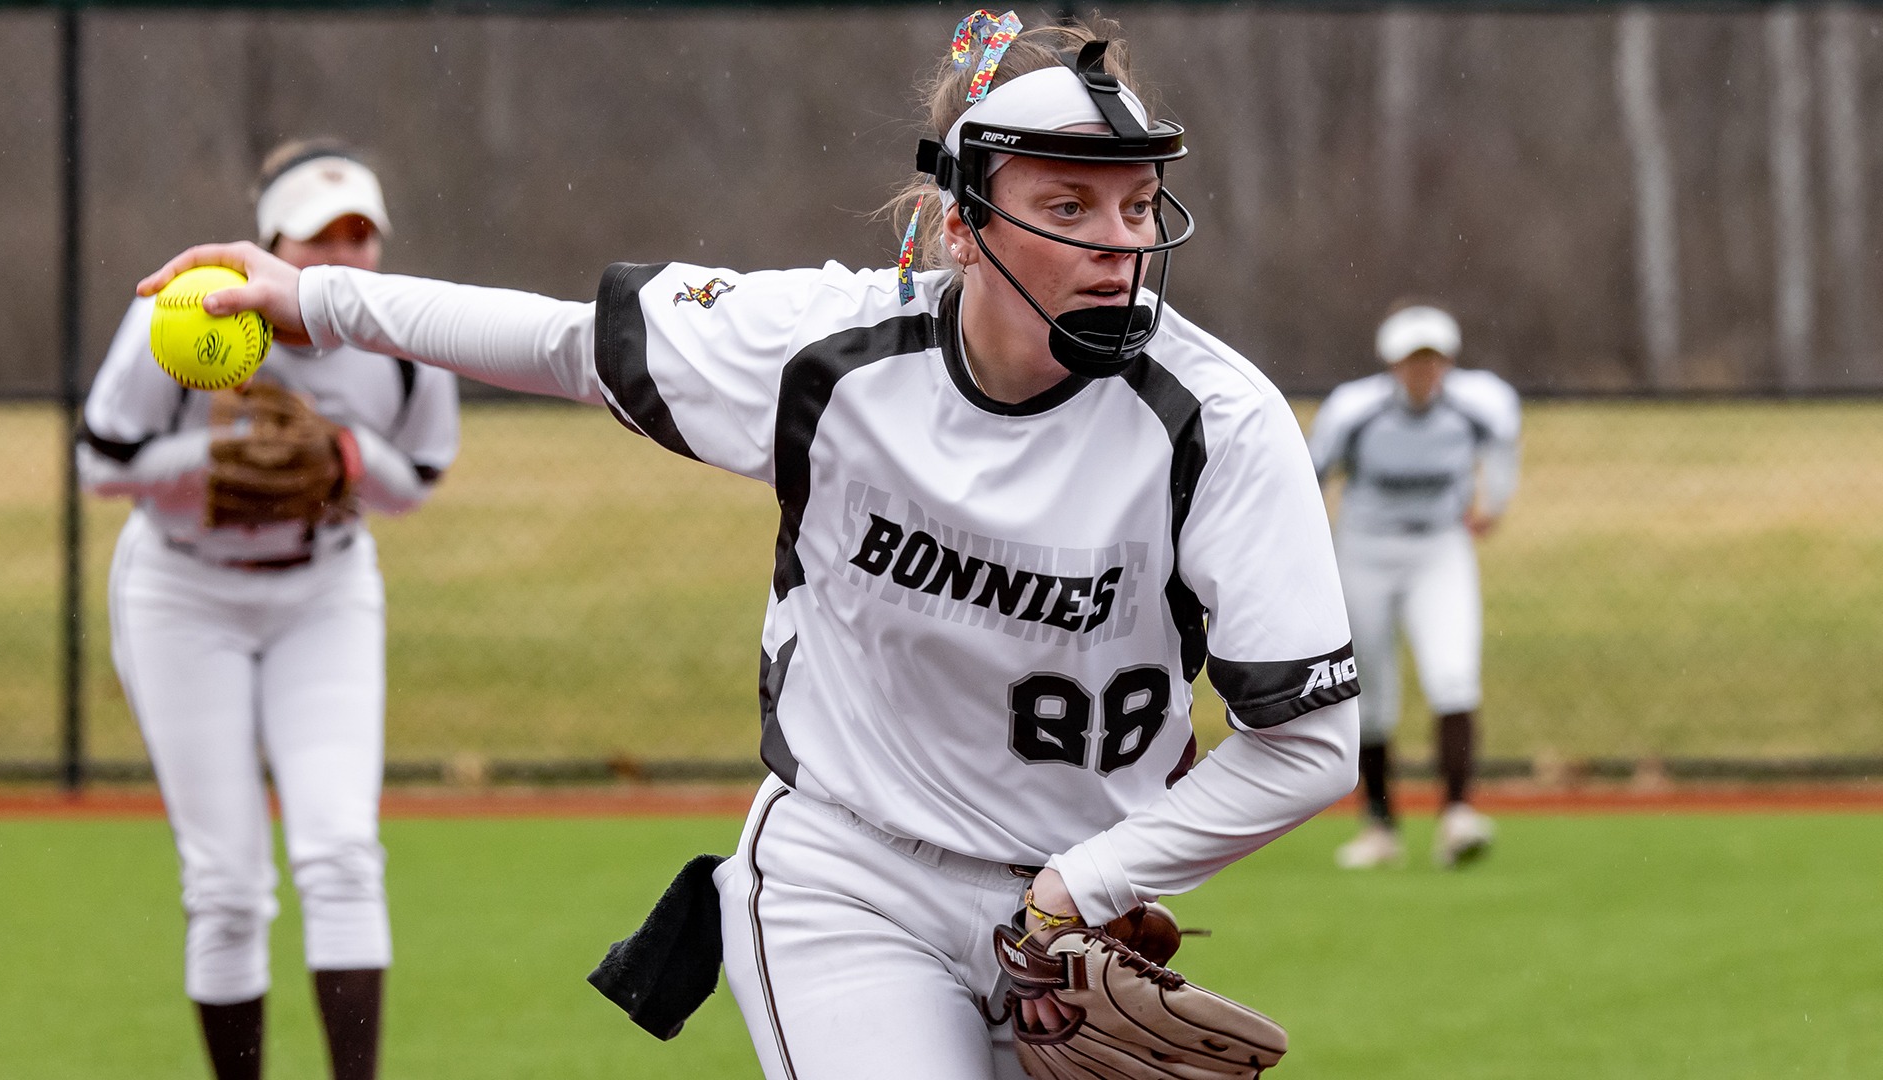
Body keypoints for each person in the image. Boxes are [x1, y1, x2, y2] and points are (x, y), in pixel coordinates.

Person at [137, 15, 1359, 1079]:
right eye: (1067, 205)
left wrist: (1076, 890)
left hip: (1074, 916)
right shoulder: (828, 354)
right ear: (961, 231)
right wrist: (311, 300)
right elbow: (568, 346)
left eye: (1138, 205)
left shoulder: (1221, 420)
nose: (1118, 241)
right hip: (848, 878)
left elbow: (1308, 746)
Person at [82, 139, 460, 1080]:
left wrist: (346, 456)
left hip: (324, 589)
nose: (344, 255)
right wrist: (218, 454)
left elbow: (420, 478)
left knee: (340, 854)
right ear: (272, 243)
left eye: (360, 235)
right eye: (320, 236)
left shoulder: (401, 330)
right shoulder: (189, 309)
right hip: (183, 592)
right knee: (227, 886)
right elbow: (102, 464)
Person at [1307, 301, 1521, 870]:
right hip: (1366, 550)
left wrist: (1494, 503)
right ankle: (1379, 825)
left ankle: (1457, 814)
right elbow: (1309, 474)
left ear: (1448, 361)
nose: (1423, 372)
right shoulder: (1356, 409)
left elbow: (1503, 447)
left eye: (1433, 359)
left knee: (1453, 674)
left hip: (1439, 547)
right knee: (1371, 693)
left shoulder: (1479, 404)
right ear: (1392, 363)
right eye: (1412, 360)